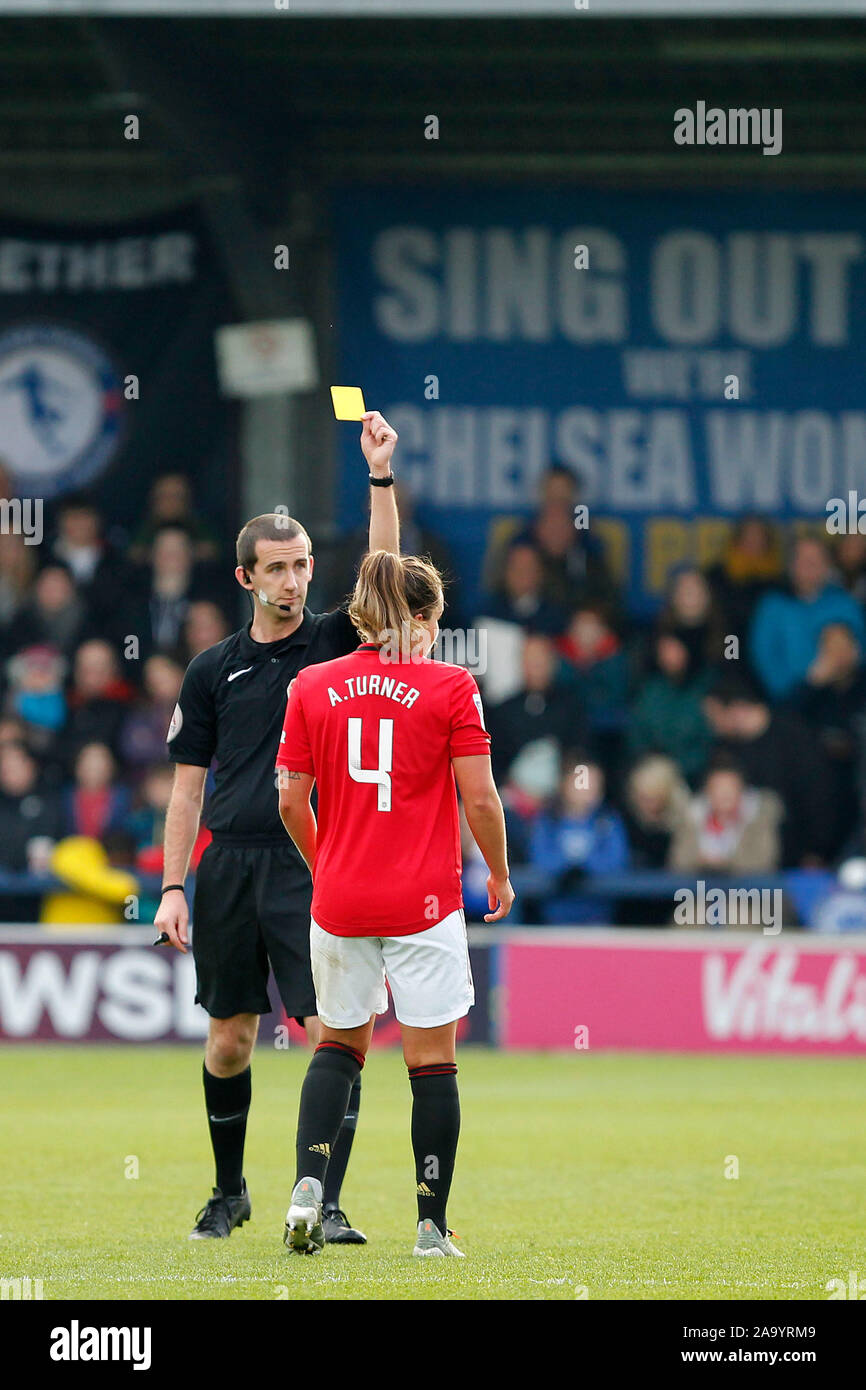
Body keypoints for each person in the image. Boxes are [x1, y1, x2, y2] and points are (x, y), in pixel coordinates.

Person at [154, 409, 401, 1244]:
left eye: (301, 566)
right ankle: (230, 1193)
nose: (295, 582)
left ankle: (325, 1201)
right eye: (279, 570)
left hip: (311, 865)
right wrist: (171, 886)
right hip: (229, 870)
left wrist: (378, 475)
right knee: (230, 1039)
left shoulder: (334, 643)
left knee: (334, 1033)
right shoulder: (210, 670)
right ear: (245, 577)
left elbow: (386, 571)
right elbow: (187, 790)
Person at [276, 550, 514, 1258]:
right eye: (436, 619)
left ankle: (307, 1189)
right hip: (424, 899)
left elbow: (289, 797)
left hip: (341, 899)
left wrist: (329, 868)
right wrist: (499, 874)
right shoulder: (450, 687)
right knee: (431, 1062)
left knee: (339, 1046)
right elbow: (479, 796)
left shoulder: (312, 684)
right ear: (420, 618)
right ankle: (430, 1227)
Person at [749, 534, 865, 700]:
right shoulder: (772, 606)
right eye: (803, 559)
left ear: (828, 566)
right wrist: (809, 681)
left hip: (845, 698)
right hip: (789, 702)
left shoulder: (844, 602)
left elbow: (859, 647)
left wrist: (847, 659)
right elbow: (763, 658)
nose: (810, 566)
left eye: (816, 560)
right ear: (791, 565)